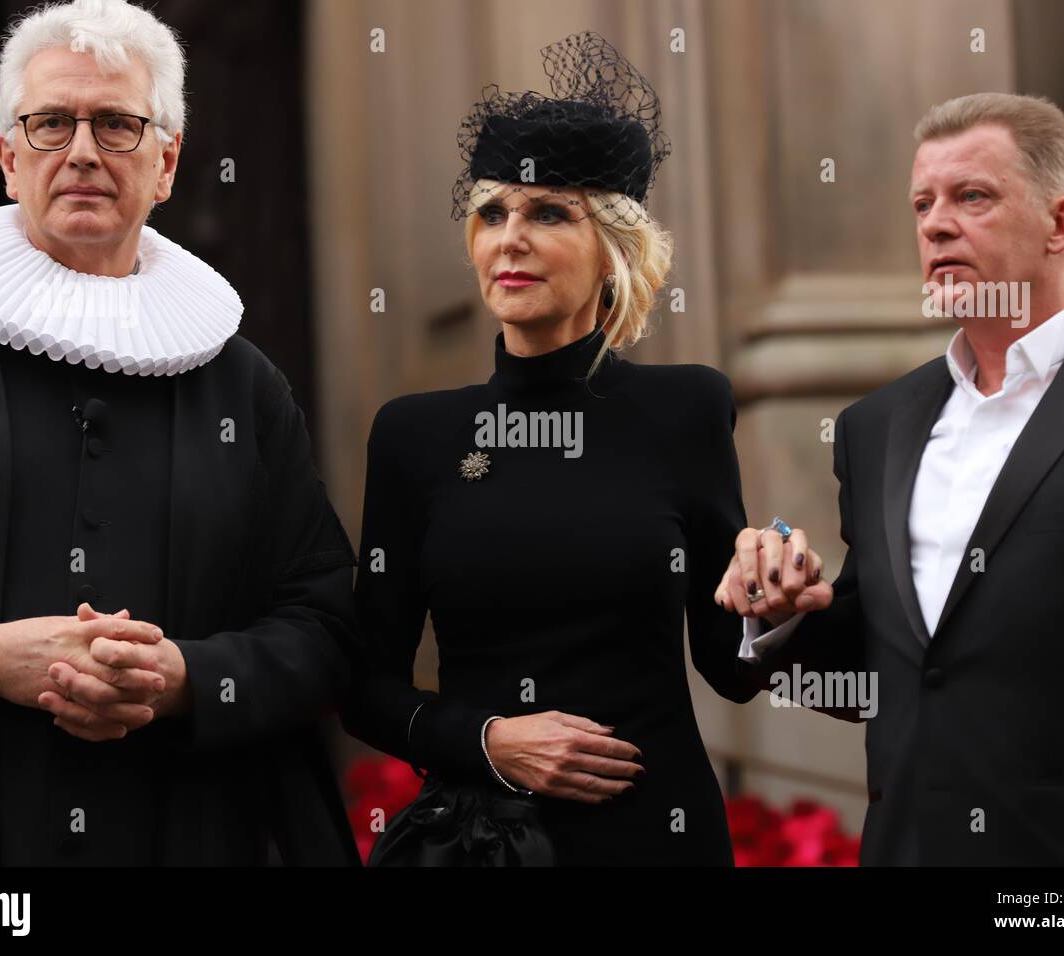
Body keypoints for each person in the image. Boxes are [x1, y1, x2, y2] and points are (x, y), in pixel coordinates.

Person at [0, 0, 357, 865]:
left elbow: (326, 623)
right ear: (7, 155)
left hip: (193, 830)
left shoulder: (243, 383)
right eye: (52, 122)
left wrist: (186, 679)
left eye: (118, 124)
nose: (85, 151)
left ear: (168, 162)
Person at [340, 31, 827, 866]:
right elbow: (362, 687)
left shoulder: (685, 408)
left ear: (614, 249)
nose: (509, 239)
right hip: (483, 845)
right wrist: (491, 740)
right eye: (492, 213)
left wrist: (769, 612)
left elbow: (728, 666)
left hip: (656, 835)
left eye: (548, 213)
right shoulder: (415, 434)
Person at [721, 92, 1064, 865]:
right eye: (922, 203)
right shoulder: (876, 426)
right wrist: (783, 613)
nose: (934, 224)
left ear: (1059, 224)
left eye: (972, 196)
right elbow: (890, 677)